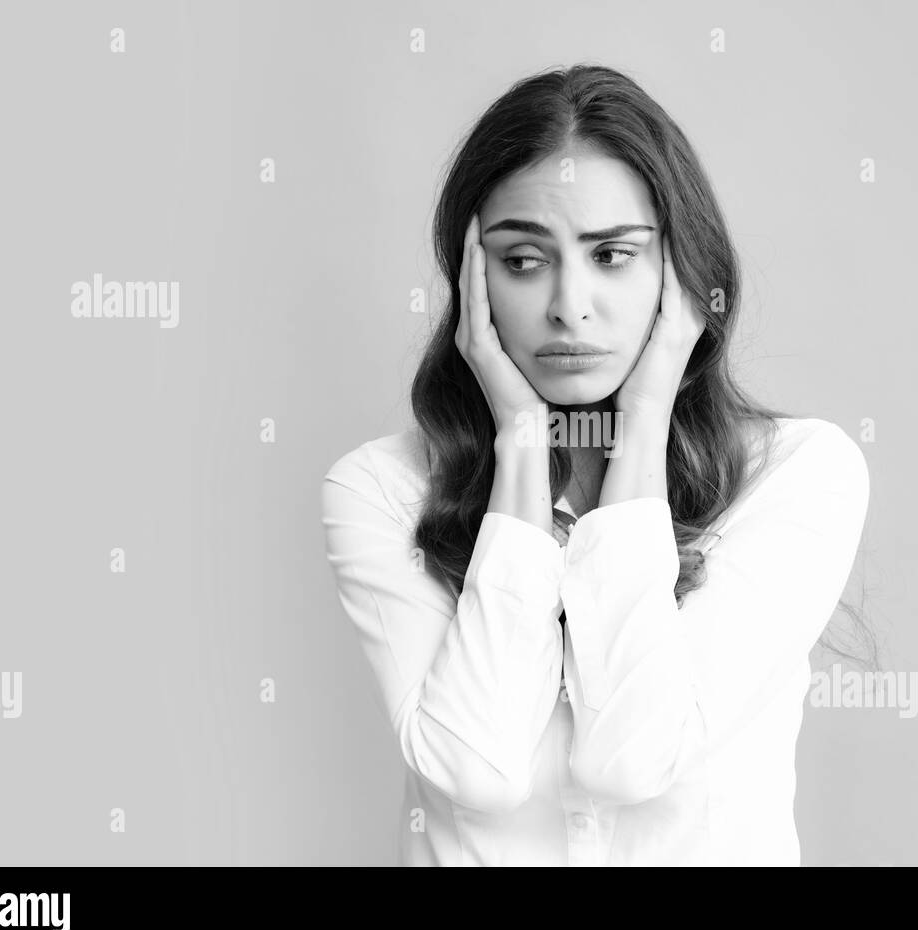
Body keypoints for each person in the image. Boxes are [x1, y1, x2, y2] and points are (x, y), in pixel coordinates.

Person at [321, 64, 870, 865]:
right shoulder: (381, 489)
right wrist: (519, 439)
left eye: (612, 255)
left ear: (679, 271)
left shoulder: (798, 474)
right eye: (521, 260)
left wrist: (642, 426)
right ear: (469, 279)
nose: (568, 306)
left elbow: (633, 759)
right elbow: (475, 769)